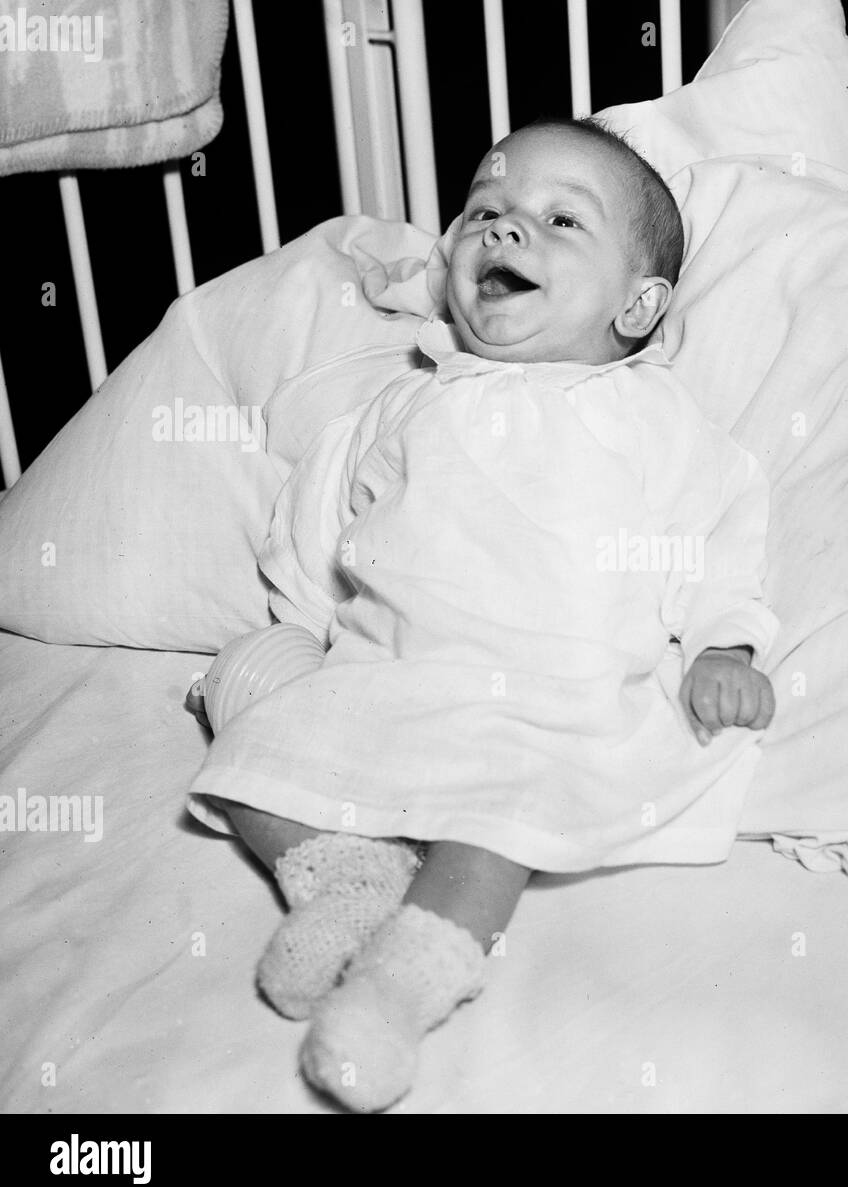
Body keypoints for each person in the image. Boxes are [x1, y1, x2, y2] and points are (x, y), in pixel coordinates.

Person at [188, 116, 779, 1112]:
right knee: (246, 748)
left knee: (494, 819)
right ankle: (344, 883)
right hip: (390, 673)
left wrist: (725, 643)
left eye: (558, 219)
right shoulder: (405, 402)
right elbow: (318, 529)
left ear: (639, 304)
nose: (505, 233)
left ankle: (399, 987)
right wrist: (294, 645)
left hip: (546, 697)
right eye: (484, 213)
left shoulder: (650, 417)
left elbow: (716, 535)